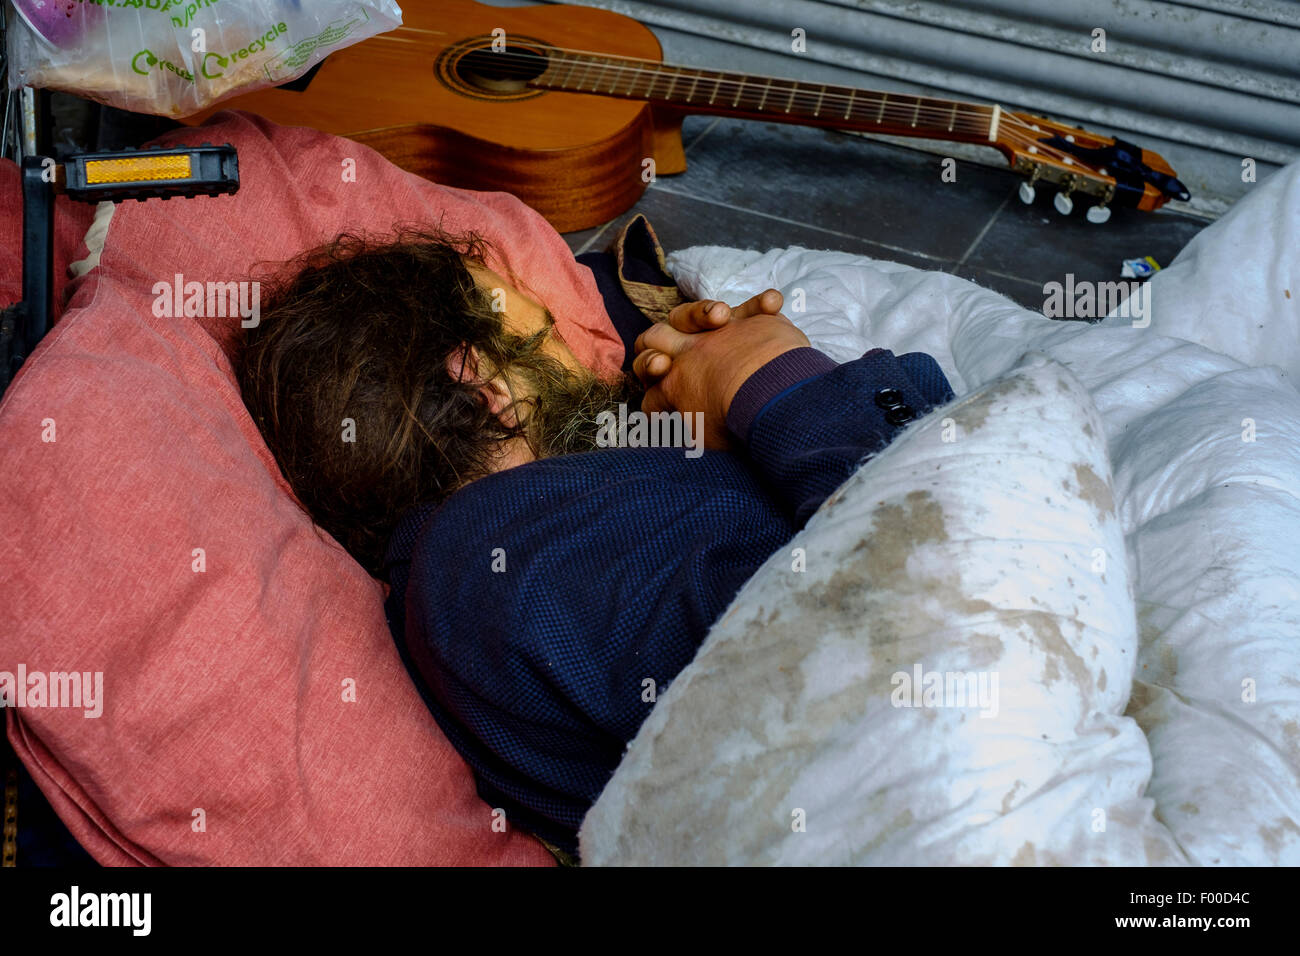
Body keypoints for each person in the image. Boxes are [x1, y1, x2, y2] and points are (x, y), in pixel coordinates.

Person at [235, 220, 955, 861]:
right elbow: (928, 584)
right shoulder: (515, 554)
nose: (590, 359)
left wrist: (702, 447)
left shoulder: (495, 560)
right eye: (546, 335)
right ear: (484, 386)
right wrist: (770, 380)